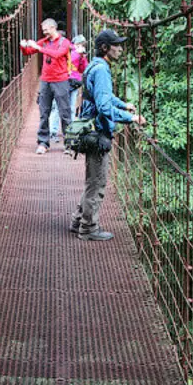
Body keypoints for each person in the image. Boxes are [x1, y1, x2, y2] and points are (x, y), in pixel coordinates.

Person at [71, 28, 145, 241]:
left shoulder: (93, 65)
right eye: (116, 45)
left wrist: (123, 105)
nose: (120, 49)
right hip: (99, 132)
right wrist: (131, 118)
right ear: (105, 48)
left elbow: (103, 95)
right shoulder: (102, 70)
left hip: (88, 129)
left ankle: (78, 220)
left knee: (91, 180)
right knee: (98, 182)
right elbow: (104, 106)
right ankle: (88, 228)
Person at [21, 18, 74, 154]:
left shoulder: (64, 42)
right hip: (45, 81)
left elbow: (57, 55)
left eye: (46, 30)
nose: (44, 33)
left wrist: (39, 48)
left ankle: (69, 144)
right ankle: (43, 143)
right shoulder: (44, 42)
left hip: (61, 81)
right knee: (44, 112)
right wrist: (24, 45)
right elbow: (28, 52)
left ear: (53, 28)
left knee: (65, 113)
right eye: (43, 30)